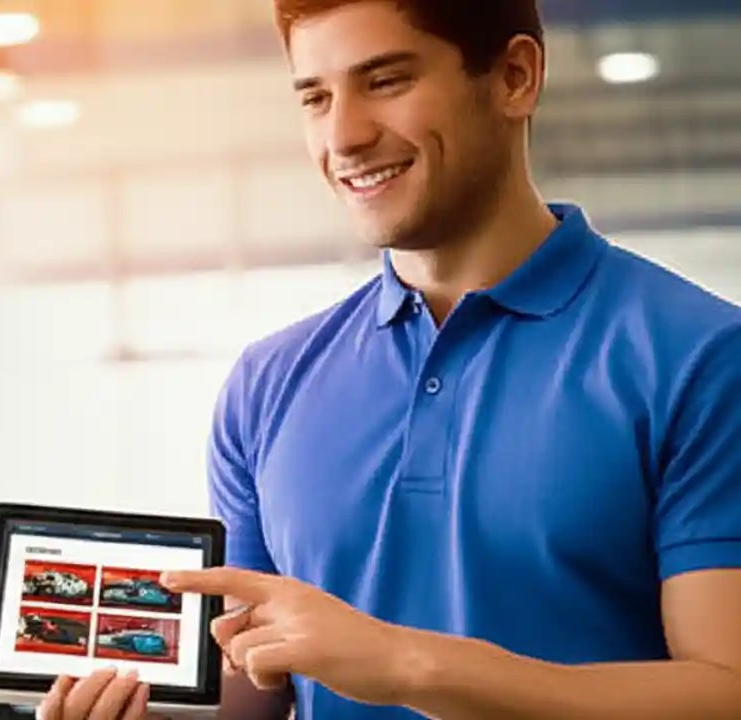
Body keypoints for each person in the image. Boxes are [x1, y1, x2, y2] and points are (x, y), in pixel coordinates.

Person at [156, 1, 741, 718]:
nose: (344, 135)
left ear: (515, 78)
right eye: (315, 97)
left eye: (386, 81)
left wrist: (407, 665)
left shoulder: (703, 359)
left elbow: (726, 689)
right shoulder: (267, 383)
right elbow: (256, 691)